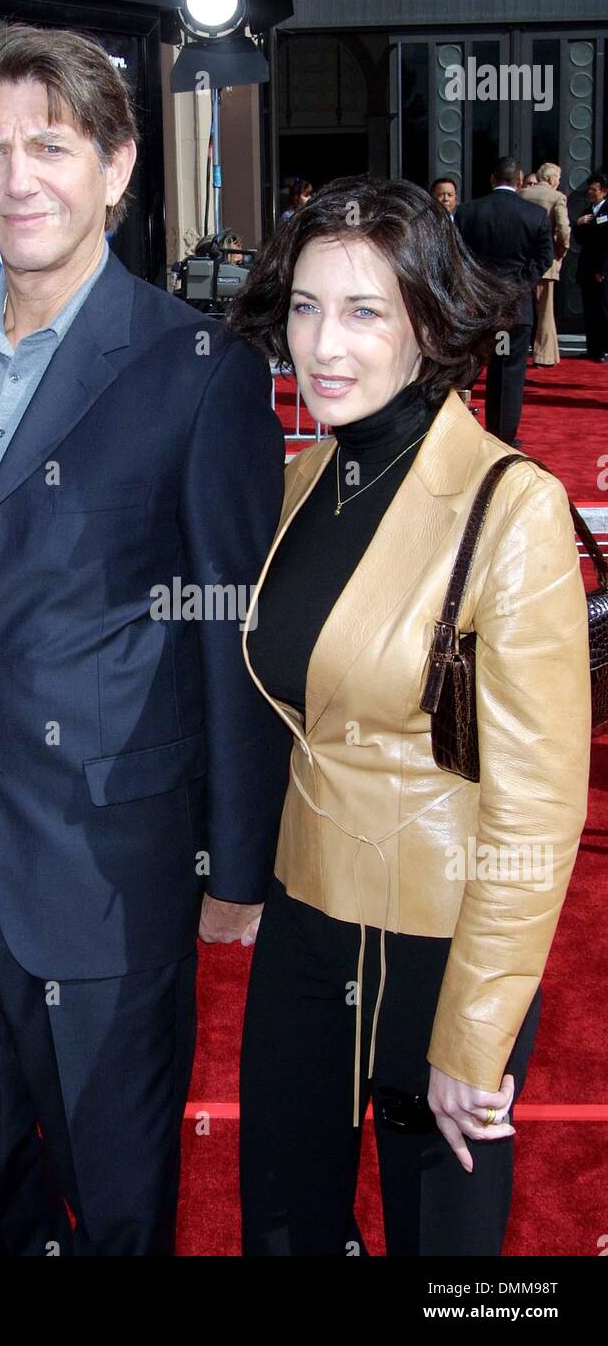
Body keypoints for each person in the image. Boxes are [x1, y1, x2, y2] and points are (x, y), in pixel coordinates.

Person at [0, 21, 289, 1257]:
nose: (18, 178)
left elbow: (233, 628)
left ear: (117, 167)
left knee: (115, 1206)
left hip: (106, 868)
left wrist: (238, 865)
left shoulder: (197, 367)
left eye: (51, 145)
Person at [228, 176, 591, 1256]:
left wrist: (475, 1037)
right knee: (286, 1224)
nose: (321, 344)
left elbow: (536, 812)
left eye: (363, 310)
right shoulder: (310, 476)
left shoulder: (510, 506)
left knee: (446, 1255)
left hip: (439, 944)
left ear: (430, 321)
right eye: (303, 306)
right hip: (305, 924)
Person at [454, 156, 553, 447]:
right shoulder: (534, 215)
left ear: (492, 179)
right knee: (508, 374)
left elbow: (456, 257)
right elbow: (543, 258)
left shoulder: (468, 212)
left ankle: (457, 431)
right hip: (515, 308)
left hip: (478, 306)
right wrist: (517, 285)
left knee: (466, 369)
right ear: (520, 181)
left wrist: (480, 286)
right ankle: (502, 438)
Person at [519, 163, 570, 367]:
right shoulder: (557, 197)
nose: (558, 181)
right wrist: (560, 252)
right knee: (545, 312)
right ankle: (544, 357)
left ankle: (509, 350)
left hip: (521, 262)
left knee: (518, 311)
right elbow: (564, 229)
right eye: (558, 177)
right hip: (545, 262)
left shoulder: (521, 194)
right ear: (551, 179)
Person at [573, 171, 608, 362]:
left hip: (602, 269)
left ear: (604, 191)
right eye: (590, 190)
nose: (591, 193)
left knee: (602, 311)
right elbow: (580, 238)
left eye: (595, 190)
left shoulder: (606, 211)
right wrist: (578, 224)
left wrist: (601, 271)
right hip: (586, 268)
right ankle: (592, 348)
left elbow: (603, 239)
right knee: (590, 311)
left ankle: (602, 348)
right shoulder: (587, 211)